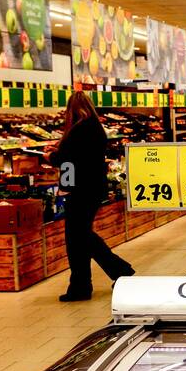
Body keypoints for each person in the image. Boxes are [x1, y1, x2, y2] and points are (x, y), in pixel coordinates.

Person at [47, 90, 134, 301]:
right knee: (81, 236)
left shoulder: (78, 131)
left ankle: (112, 274)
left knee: (77, 237)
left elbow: (68, 160)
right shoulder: (96, 128)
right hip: (93, 188)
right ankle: (90, 282)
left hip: (81, 189)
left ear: (72, 110)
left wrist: (51, 156)